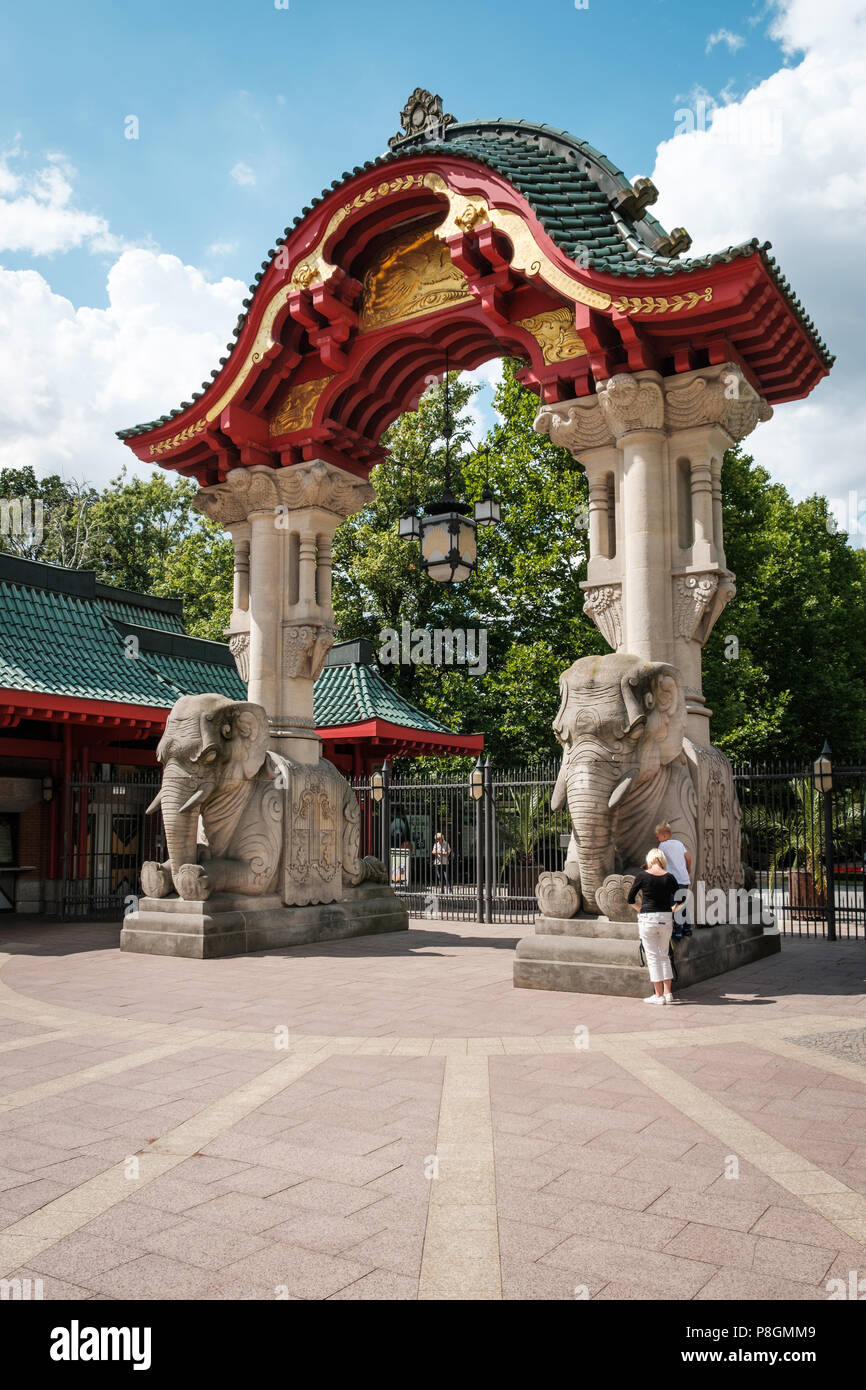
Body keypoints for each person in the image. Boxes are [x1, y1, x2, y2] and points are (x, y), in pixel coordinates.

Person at [627, 847, 680, 1005]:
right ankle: (668, 992)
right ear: (662, 860)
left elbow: (630, 898)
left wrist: (641, 909)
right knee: (664, 955)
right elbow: (681, 898)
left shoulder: (642, 876)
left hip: (648, 918)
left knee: (652, 957)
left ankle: (658, 996)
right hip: (665, 918)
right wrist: (672, 909)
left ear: (649, 860)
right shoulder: (669, 877)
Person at [655, 821, 692, 940]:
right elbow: (688, 857)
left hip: (673, 881)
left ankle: (678, 931)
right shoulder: (679, 843)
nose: (657, 839)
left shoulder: (662, 846)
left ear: (664, 836)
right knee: (683, 904)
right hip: (684, 879)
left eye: (658, 836)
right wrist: (688, 868)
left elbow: (658, 860)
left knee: (674, 905)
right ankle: (687, 929)